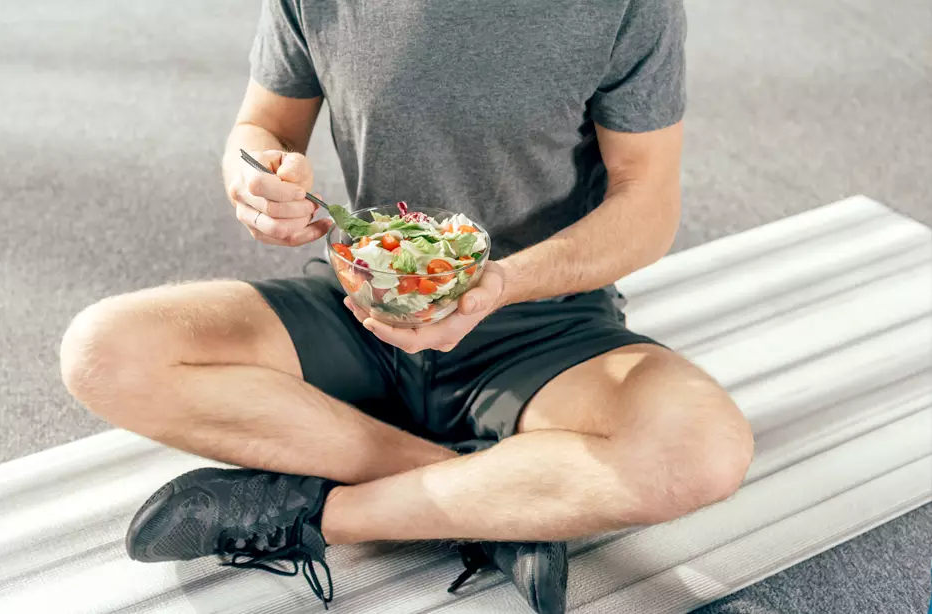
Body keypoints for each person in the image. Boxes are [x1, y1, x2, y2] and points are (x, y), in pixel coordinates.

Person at [59, 1, 754, 611]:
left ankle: (318, 513)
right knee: (104, 351)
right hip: (364, 305)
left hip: (542, 325)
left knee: (702, 452)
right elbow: (261, 125)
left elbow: (648, 202)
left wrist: (503, 284)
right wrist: (259, 179)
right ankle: (493, 498)